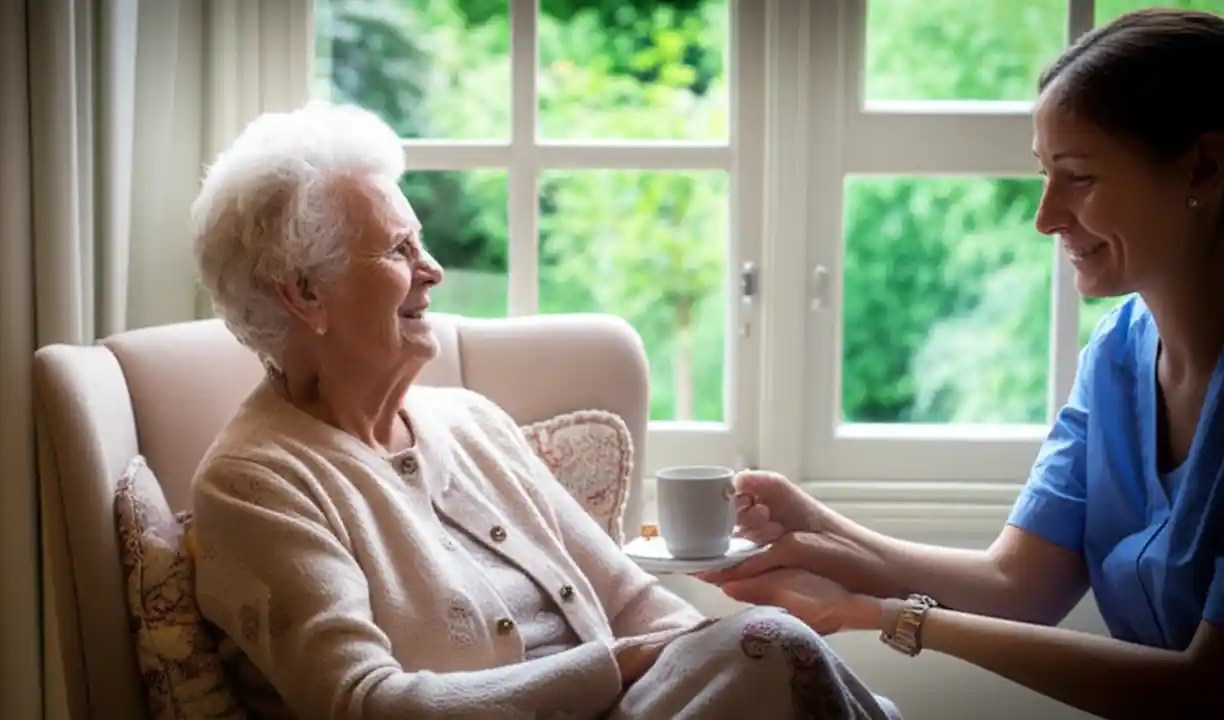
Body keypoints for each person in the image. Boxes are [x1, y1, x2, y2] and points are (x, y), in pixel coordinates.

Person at [187, 100, 900, 719]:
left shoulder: (470, 422)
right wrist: (617, 667)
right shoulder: (257, 482)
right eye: (401, 249)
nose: (433, 270)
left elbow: (631, 604)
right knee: (776, 649)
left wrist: (719, 662)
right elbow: (360, 703)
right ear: (305, 295)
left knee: (777, 658)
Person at [700, 7, 1224, 719]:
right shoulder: (1117, 356)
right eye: (1045, 175)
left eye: (1078, 178)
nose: (1044, 216)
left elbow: (1204, 686)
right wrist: (818, 530)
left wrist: (874, 613)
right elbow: (1018, 586)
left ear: (1204, 166)